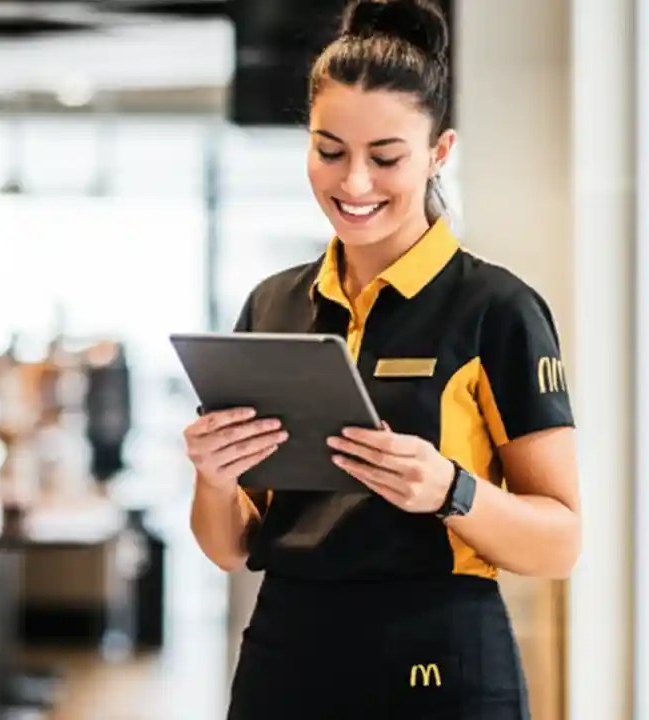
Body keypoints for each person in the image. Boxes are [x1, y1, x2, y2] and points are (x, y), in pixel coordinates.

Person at [184, 1, 581, 717]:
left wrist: (450, 490)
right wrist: (213, 480)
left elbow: (559, 544)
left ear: (439, 152)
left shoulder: (497, 309)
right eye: (329, 151)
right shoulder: (272, 305)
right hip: (286, 653)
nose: (354, 184)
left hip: (438, 657)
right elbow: (231, 548)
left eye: (386, 157)